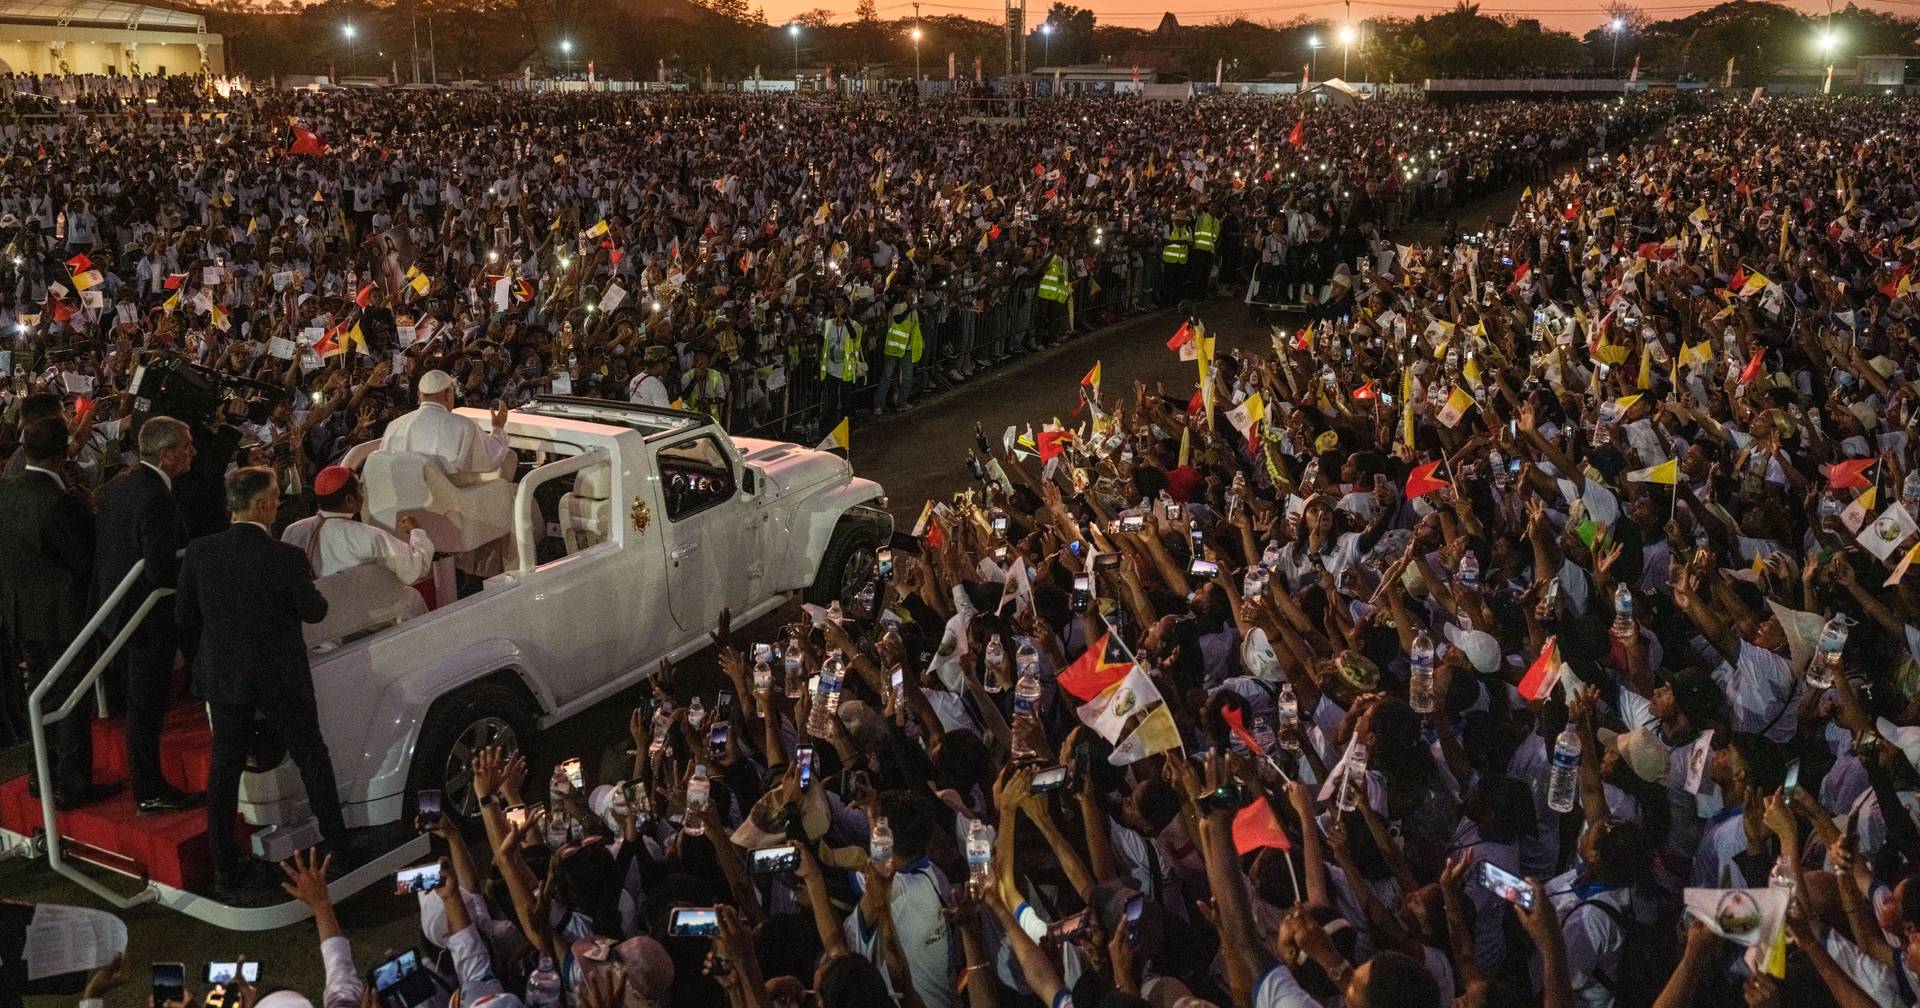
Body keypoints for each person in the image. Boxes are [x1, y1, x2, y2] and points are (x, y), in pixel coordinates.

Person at [175, 467, 348, 898]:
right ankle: (338, 843)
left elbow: (185, 620)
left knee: (225, 769)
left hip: (225, 676)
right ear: (263, 506)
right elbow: (315, 612)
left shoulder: (199, 553)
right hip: (280, 676)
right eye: (274, 497)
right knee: (311, 755)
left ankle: (223, 865)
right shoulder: (285, 557)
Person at [91, 416, 201, 814]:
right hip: (145, 618)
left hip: (121, 614)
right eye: (187, 445)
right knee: (146, 707)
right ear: (168, 454)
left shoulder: (119, 485)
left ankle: (148, 785)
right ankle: (150, 790)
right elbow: (159, 570)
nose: (193, 452)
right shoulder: (156, 497)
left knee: (141, 706)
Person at [0, 417, 107, 808]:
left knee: (38, 697)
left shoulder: (6, 493)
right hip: (62, 619)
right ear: (64, 454)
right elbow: (83, 559)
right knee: (68, 699)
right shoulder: (59, 503)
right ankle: (72, 784)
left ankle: (38, 775)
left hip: (22, 616)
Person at [280, 465, 435, 583]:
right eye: (360, 489)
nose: (364, 493)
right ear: (349, 500)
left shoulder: (292, 530)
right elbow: (415, 568)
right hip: (361, 615)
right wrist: (416, 531)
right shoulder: (370, 536)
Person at [380, 369, 513, 483]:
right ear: (448, 394)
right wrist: (498, 428)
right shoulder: (464, 425)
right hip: (448, 501)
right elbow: (490, 460)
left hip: (401, 499)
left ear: (419, 396)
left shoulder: (394, 425)